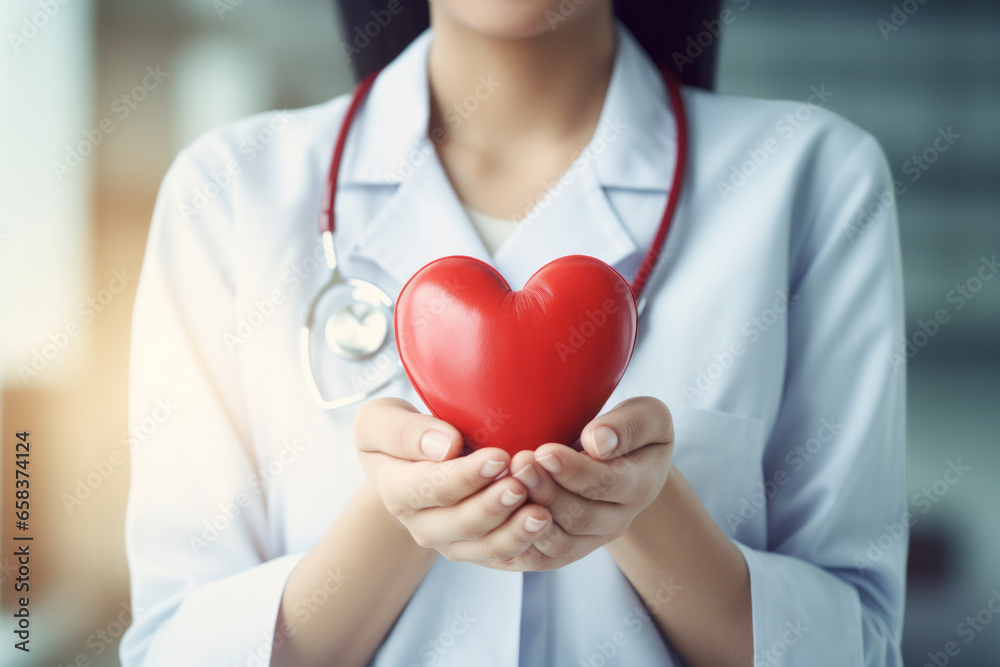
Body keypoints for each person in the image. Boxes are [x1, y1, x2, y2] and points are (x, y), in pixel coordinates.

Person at [120, 1, 907, 665]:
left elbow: (859, 640)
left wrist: (647, 506)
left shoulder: (814, 179)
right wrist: (401, 513)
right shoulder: (226, 194)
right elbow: (177, 644)